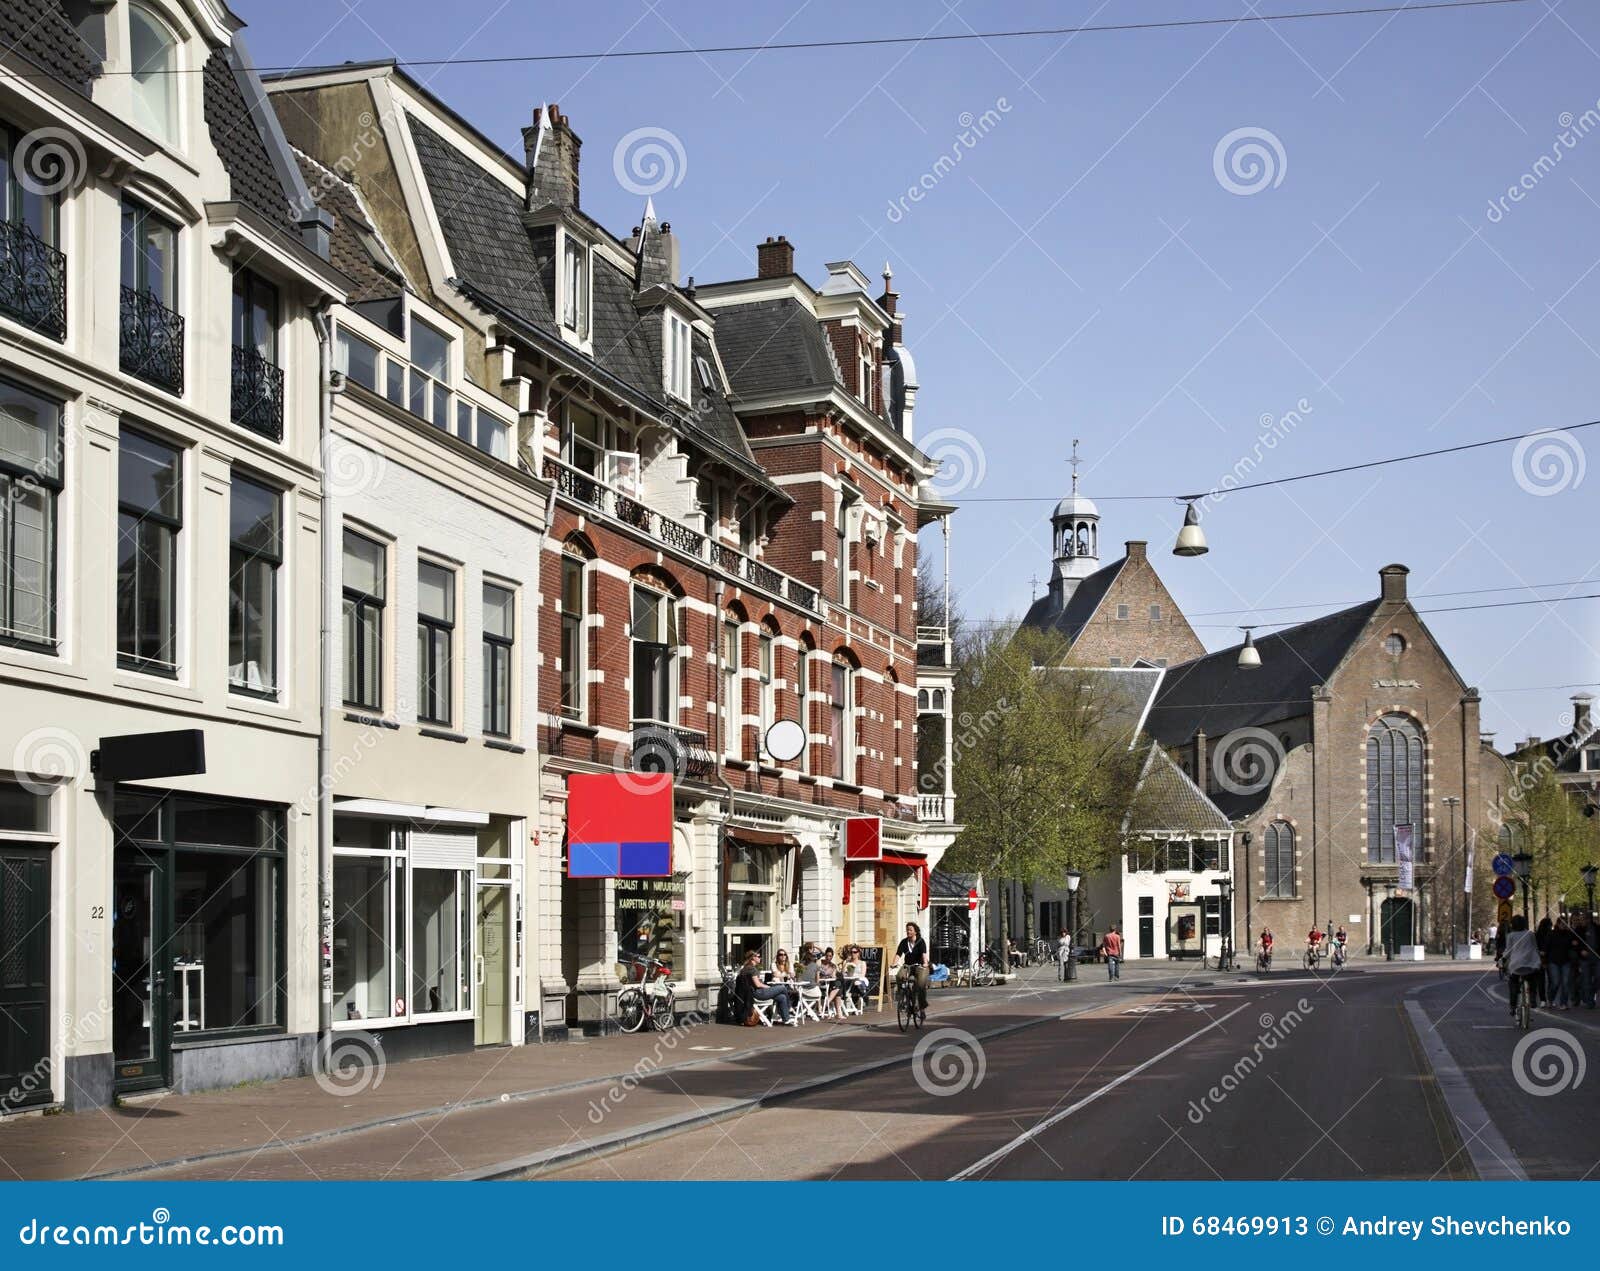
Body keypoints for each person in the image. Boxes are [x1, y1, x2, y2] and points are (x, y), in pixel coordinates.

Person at [736, 950, 792, 1025]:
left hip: (751, 994)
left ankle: (786, 1019)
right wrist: (768, 987)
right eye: (758, 956)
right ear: (753, 958)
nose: (760, 958)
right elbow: (758, 985)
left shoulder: (745, 968)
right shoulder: (752, 969)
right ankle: (789, 1007)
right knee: (782, 987)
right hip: (758, 993)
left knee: (782, 997)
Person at [1504, 914, 1542, 1019]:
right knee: (1533, 980)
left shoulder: (1510, 936)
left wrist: (1502, 959)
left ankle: (1512, 1006)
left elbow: (1508, 951)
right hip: (1530, 963)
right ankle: (1533, 999)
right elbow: (1535, 947)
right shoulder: (1530, 934)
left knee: (1513, 984)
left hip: (1516, 965)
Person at [892, 921, 930, 1013]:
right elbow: (898, 954)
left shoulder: (920, 941)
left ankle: (922, 1007)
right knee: (899, 976)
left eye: (910, 930)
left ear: (915, 931)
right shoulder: (904, 942)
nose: (908, 931)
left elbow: (924, 954)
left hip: (919, 966)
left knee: (921, 985)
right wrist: (894, 963)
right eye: (907, 930)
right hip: (908, 965)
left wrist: (925, 963)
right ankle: (902, 996)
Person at [1547, 917, 1576, 1010]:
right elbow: (1546, 946)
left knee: (1566, 983)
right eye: (1562, 924)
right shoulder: (1551, 934)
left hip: (1566, 961)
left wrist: (1574, 943)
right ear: (1558, 924)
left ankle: (1563, 1002)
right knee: (1555, 982)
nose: (1564, 925)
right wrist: (1544, 957)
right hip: (1553, 961)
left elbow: (1572, 945)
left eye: (1565, 924)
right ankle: (1551, 999)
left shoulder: (1569, 934)